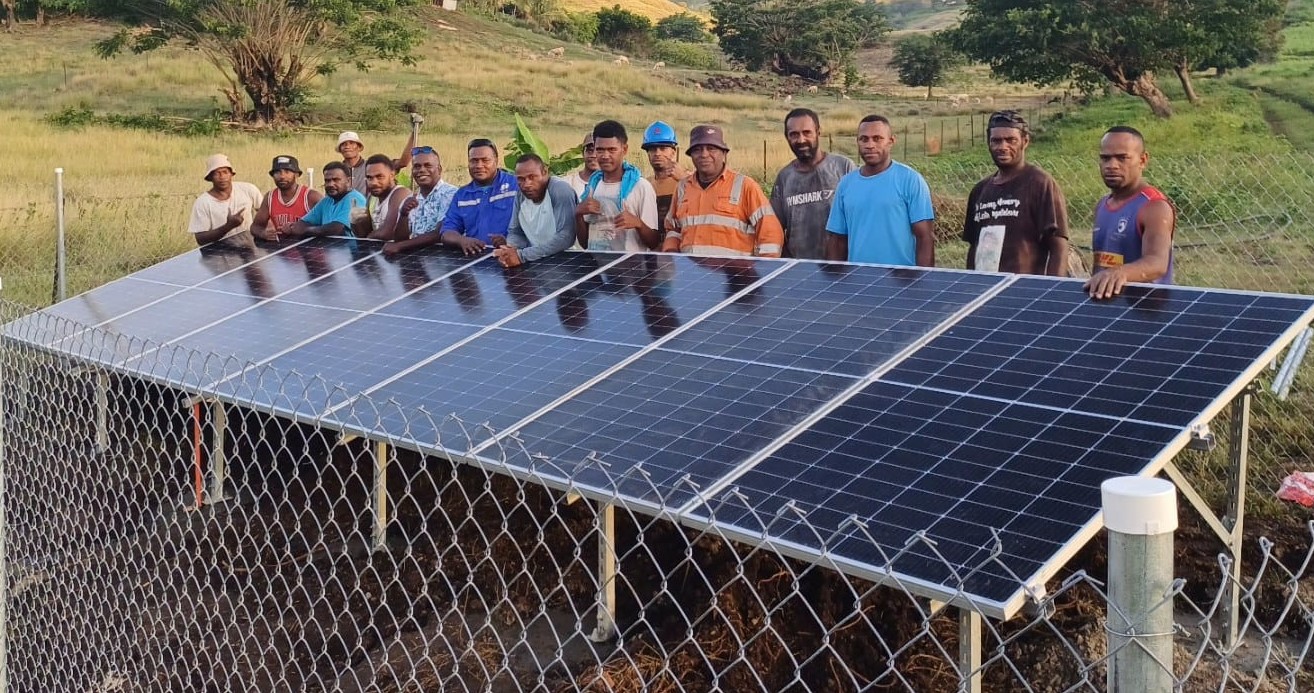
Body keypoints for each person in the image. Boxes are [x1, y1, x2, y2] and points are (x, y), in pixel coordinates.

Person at [962, 110, 1069, 275]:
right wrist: (971, 284)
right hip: (985, 288)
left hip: (1023, 291)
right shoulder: (979, 190)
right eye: (996, 141)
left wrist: (1051, 292)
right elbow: (974, 246)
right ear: (988, 143)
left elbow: (1059, 246)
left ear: (1025, 142)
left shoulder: (1040, 183)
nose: (1003, 147)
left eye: (1010, 140)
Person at [825, 115, 935, 266]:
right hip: (858, 280)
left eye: (877, 139)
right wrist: (835, 282)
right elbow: (837, 239)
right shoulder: (846, 184)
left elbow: (925, 238)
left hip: (901, 280)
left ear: (891, 141)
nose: (870, 145)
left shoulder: (910, 180)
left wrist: (922, 282)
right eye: (864, 139)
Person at [661, 125, 784, 258]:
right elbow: (673, 229)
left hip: (733, 276)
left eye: (711, 148)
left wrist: (764, 269)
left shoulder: (745, 186)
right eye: (697, 150)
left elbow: (770, 233)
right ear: (691, 155)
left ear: (724, 153)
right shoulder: (682, 188)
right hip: (691, 275)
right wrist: (671, 255)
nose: (704, 154)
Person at [1086, 125, 1176, 299]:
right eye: (1105, 158)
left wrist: (1119, 273)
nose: (1112, 165)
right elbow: (1100, 266)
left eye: (1122, 158)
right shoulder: (1102, 205)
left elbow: (1157, 263)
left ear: (1143, 160)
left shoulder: (1154, 207)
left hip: (1143, 312)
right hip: (1108, 308)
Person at [770, 108, 856, 259]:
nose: (801, 140)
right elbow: (773, 229)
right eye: (794, 134)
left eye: (807, 132)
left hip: (842, 269)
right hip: (800, 271)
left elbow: (861, 219)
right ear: (787, 137)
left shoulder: (844, 168)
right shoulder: (784, 178)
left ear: (818, 132)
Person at [576, 120, 660, 251]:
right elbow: (585, 244)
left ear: (624, 149)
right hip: (597, 268)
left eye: (612, 150)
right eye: (600, 150)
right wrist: (578, 214)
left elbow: (654, 242)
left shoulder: (641, 187)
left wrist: (637, 223)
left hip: (630, 269)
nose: (605, 156)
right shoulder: (592, 187)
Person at [494, 154, 579, 268]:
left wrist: (521, 256)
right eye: (521, 179)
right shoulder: (520, 195)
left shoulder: (560, 190)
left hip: (568, 262)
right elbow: (516, 231)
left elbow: (565, 238)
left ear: (544, 172)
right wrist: (510, 249)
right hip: (537, 261)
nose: (526, 184)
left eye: (532, 177)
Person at [439, 138, 518, 255]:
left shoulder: (515, 186)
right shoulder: (462, 195)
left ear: (496, 160)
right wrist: (462, 240)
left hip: (512, 256)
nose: (479, 165)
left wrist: (511, 240)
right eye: (474, 161)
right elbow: (447, 232)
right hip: (476, 259)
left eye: (485, 160)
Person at [383, 146, 459, 257]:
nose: (421, 170)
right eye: (417, 166)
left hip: (443, 260)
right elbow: (400, 239)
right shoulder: (411, 199)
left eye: (428, 165)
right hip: (416, 259)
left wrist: (400, 246)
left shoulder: (451, 194)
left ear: (439, 169)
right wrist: (404, 215)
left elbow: (440, 233)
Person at [188, 154, 263, 246]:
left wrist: (259, 230)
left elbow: (265, 213)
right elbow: (200, 239)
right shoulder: (203, 203)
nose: (222, 177)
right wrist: (228, 226)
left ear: (231, 174)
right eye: (216, 173)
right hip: (219, 254)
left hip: (249, 250)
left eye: (225, 172)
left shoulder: (248, 189)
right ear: (210, 177)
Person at [282, 162, 368, 238]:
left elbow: (337, 229)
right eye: (327, 181)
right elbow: (303, 223)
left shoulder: (354, 199)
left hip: (351, 253)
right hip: (331, 251)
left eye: (336, 180)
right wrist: (294, 228)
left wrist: (307, 231)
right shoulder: (327, 201)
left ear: (348, 181)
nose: (330, 184)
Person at [251, 155, 322, 241]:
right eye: (277, 172)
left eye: (287, 171)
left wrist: (303, 230)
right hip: (282, 249)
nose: (282, 176)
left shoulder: (311, 196)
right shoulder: (270, 197)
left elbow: (329, 226)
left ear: (296, 174)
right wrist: (263, 234)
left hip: (310, 249)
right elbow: (255, 227)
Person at [337, 122, 419, 195]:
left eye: (351, 143)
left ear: (359, 147)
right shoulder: (337, 171)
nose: (347, 147)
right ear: (340, 149)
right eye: (344, 144)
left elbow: (403, 163)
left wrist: (414, 132)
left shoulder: (372, 166)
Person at [641, 120, 689, 240]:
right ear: (648, 154)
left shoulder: (689, 179)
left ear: (673, 152)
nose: (657, 153)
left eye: (663, 148)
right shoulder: (645, 184)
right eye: (652, 149)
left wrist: (684, 180)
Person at [363, 153, 412, 241]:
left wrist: (369, 236)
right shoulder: (372, 198)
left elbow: (387, 233)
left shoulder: (400, 193)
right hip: (379, 250)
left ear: (392, 176)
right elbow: (362, 234)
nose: (374, 182)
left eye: (379, 177)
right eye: (369, 178)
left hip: (402, 251)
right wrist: (355, 222)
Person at [566, 132, 599, 200]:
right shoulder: (568, 182)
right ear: (583, 153)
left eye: (598, 151)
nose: (593, 155)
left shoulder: (611, 184)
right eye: (590, 151)